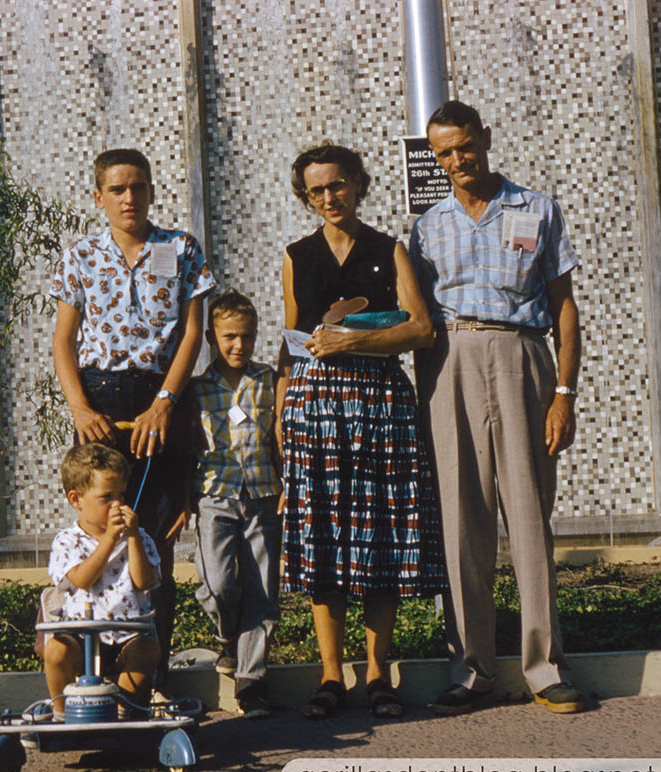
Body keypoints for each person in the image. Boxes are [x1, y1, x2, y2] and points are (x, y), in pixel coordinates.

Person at [409, 100, 586, 715]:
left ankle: (545, 667)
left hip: (521, 356)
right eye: (445, 152)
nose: (458, 159)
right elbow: (416, 318)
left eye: (465, 146)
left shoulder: (537, 209)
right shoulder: (426, 226)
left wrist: (563, 394)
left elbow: (564, 307)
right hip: (450, 361)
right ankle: (472, 670)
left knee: (530, 516)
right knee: (461, 521)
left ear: (484, 138)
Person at [278, 143, 447, 720]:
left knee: (380, 534)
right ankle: (331, 674)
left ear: (356, 183)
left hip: (379, 403)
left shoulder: (388, 248)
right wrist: (280, 420)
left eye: (337, 185)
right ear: (306, 197)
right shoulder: (297, 256)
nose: (329, 197)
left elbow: (421, 330)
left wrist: (353, 341)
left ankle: (378, 672)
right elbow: (291, 343)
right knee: (323, 535)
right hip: (316, 407)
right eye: (317, 190)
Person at [51, 149, 215, 696]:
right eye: (118, 189)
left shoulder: (181, 249)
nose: (129, 198)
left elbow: (192, 333)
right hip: (100, 401)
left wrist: (166, 400)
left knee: (152, 540)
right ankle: (94, 680)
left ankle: (148, 681)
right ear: (98, 196)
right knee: (101, 529)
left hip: (159, 399)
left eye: (138, 187)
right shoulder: (81, 256)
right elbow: (63, 341)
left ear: (151, 191)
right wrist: (80, 407)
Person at [185, 290, 282, 718]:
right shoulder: (197, 389)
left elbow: (278, 436)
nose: (239, 345)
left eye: (247, 336)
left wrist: (287, 483)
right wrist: (186, 499)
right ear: (211, 338)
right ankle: (227, 638)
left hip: (262, 494)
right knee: (220, 584)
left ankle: (252, 682)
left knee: (262, 590)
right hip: (215, 496)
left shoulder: (268, 380)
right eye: (229, 337)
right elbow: (189, 446)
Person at [42, 443, 162, 718]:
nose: (118, 504)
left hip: (127, 633)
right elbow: (81, 579)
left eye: (121, 495)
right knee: (56, 651)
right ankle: (62, 713)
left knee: (148, 649)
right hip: (80, 635)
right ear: (76, 500)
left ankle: (119, 707)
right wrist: (108, 540)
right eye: (107, 497)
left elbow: (144, 582)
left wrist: (132, 537)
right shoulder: (67, 541)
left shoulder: (139, 537)